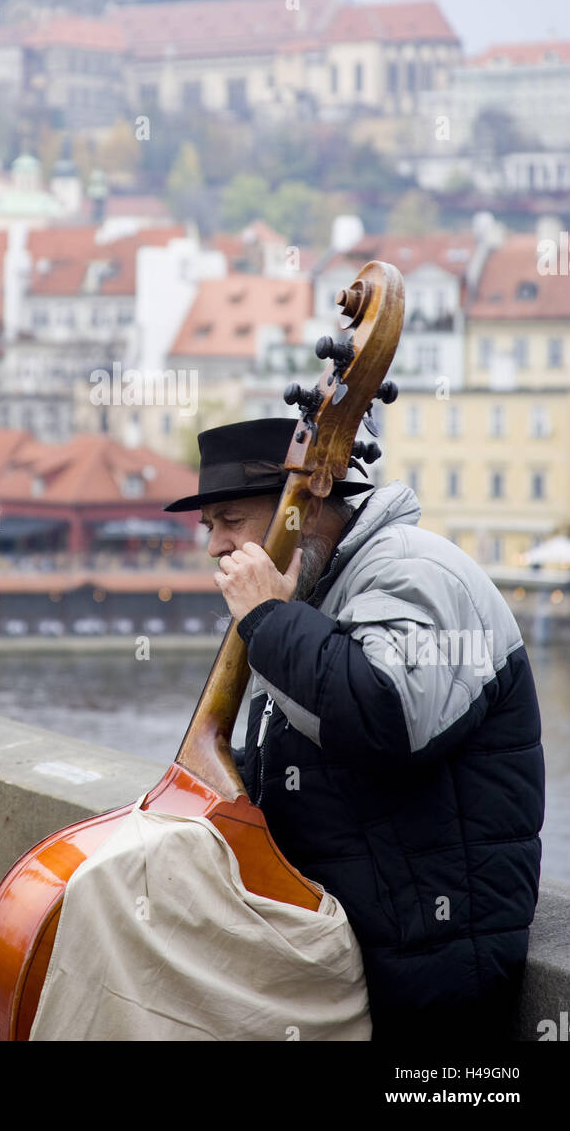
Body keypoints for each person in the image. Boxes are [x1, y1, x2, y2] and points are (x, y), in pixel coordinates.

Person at [165, 417, 544, 1043]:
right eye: (209, 527)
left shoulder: (417, 570)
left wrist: (267, 617)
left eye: (231, 519)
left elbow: (389, 715)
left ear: (303, 506)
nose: (214, 545)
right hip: (359, 945)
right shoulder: (311, 592)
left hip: (430, 962)